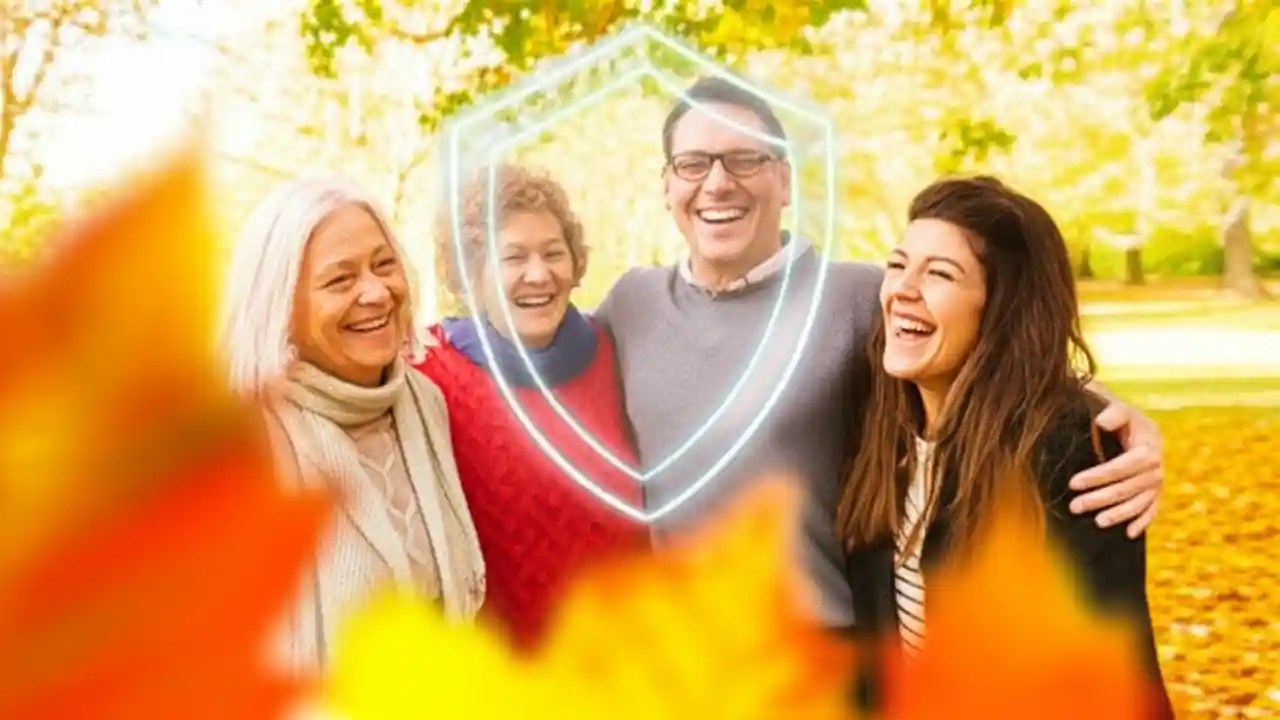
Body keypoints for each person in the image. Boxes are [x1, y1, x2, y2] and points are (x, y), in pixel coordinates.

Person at [595, 76, 1167, 628]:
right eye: (693, 164)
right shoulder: (630, 305)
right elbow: (535, 378)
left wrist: (1115, 423)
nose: (717, 183)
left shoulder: (862, 297)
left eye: (745, 160)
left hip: (824, 660)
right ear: (667, 186)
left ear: (786, 181)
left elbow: (999, 349)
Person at [838, 176, 1173, 717]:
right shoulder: (879, 429)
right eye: (898, 265)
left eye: (940, 274)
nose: (902, 288)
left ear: (1000, 309)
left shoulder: (1064, 452)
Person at [220, 178, 486, 672]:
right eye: (340, 280)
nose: (375, 292)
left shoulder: (424, 404)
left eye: (383, 265)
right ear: (280, 304)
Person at [415, 164, 646, 651]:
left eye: (553, 253)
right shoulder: (427, 368)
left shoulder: (614, 352)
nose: (538, 274)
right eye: (513, 257)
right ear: (470, 275)